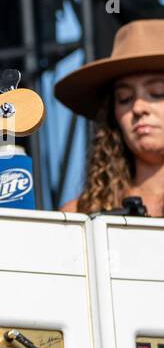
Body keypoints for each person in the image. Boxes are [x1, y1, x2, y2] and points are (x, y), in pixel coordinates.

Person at [55, 18, 164, 217]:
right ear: (113, 117)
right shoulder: (80, 214)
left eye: (157, 92)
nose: (138, 107)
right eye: (125, 98)